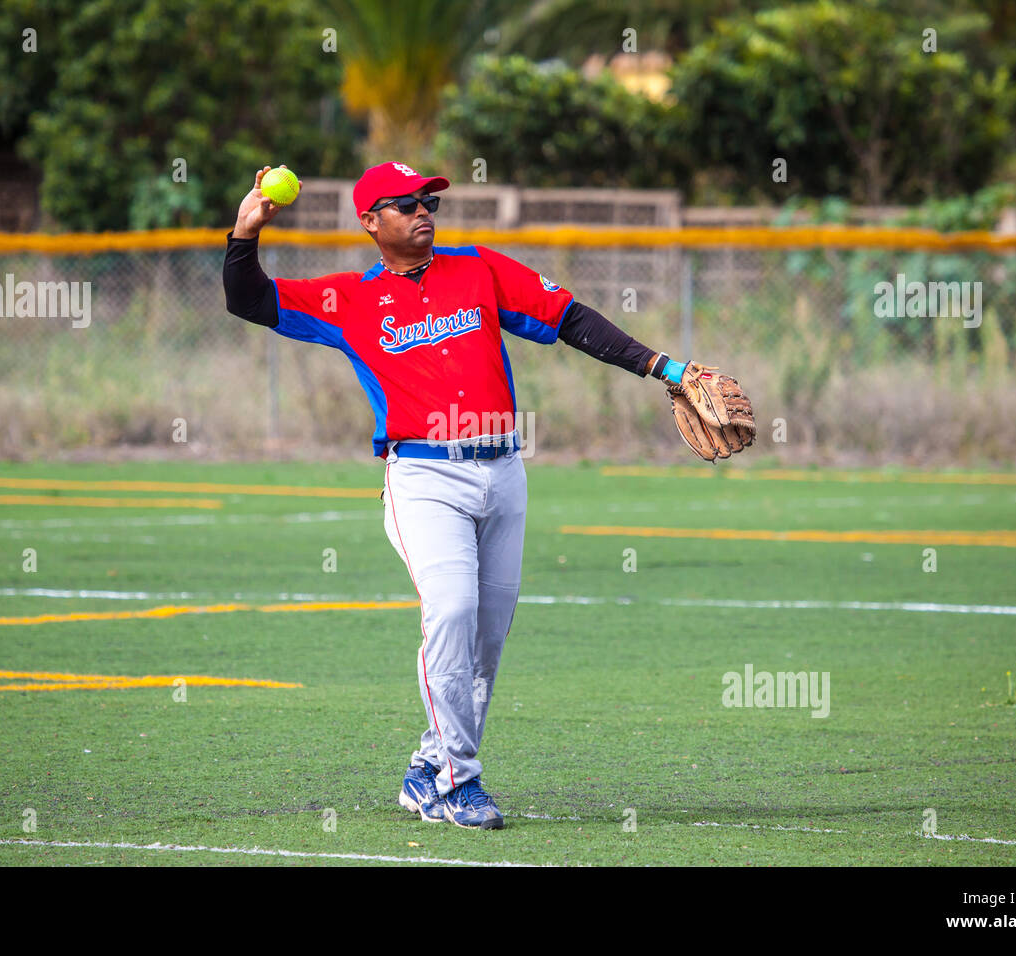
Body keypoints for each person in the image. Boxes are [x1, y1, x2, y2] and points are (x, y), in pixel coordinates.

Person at [223, 161, 691, 830]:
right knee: (451, 609)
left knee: (484, 642)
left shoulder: (479, 270)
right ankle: (458, 783)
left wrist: (662, 367)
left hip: (503, 471)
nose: (423, 210)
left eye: (427, 200)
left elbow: (569, 317)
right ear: (369, 222)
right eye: (405, 203)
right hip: (423, 478)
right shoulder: (349, 300)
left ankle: (427, 768)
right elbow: (250, 301)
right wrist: (245, 234)